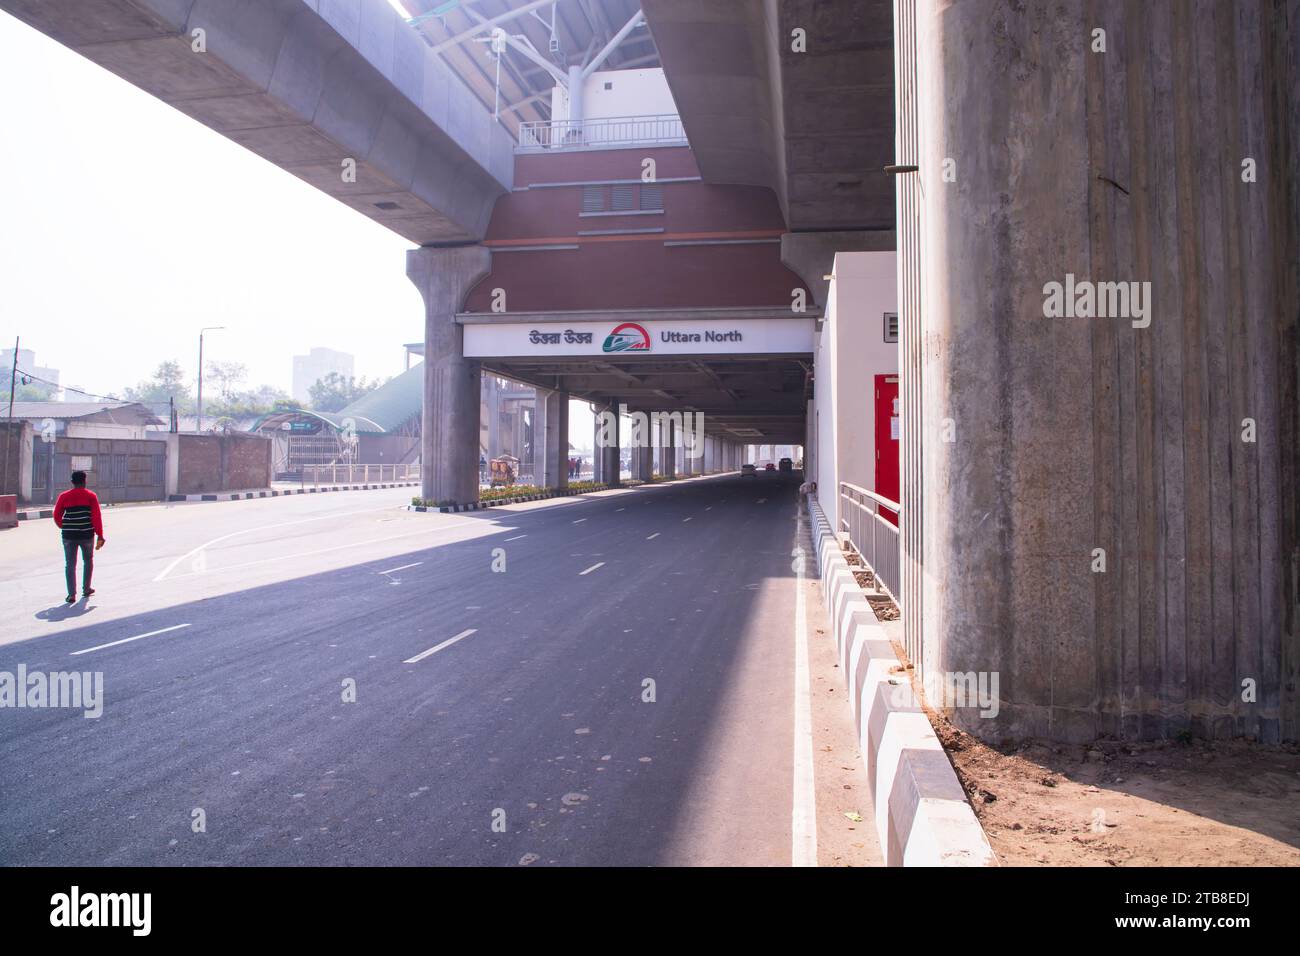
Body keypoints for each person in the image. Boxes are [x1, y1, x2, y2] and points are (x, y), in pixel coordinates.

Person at [53, 470, 105, 603]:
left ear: (72, 482)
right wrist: (100, 535)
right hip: (86, 535)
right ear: (85, 481)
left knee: (70, 564)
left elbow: (57, 515)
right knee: (88, 561)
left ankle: (71, 594)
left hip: (69, 535)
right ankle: (86, 588)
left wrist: (64, 526)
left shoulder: (64, 496)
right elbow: (96, 517)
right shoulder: (91, 496)